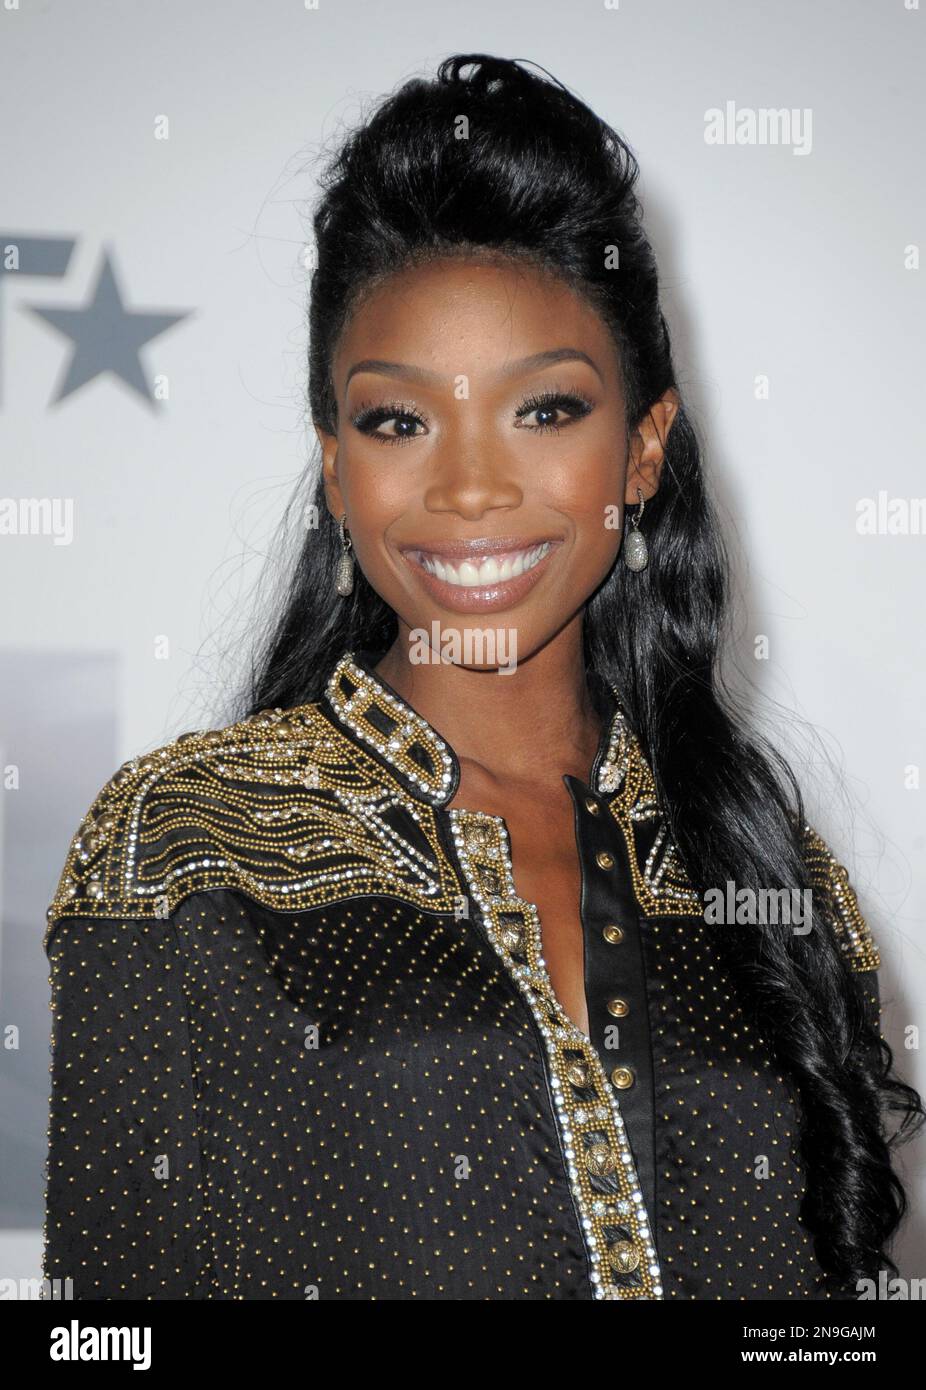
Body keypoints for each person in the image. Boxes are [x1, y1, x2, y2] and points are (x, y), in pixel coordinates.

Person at [42, 53, 922, 1301]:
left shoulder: (770, 871)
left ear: (641, 450)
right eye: (397, 421)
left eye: (545, 411)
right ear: (335, 468)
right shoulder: (183, 848)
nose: (467, 490)